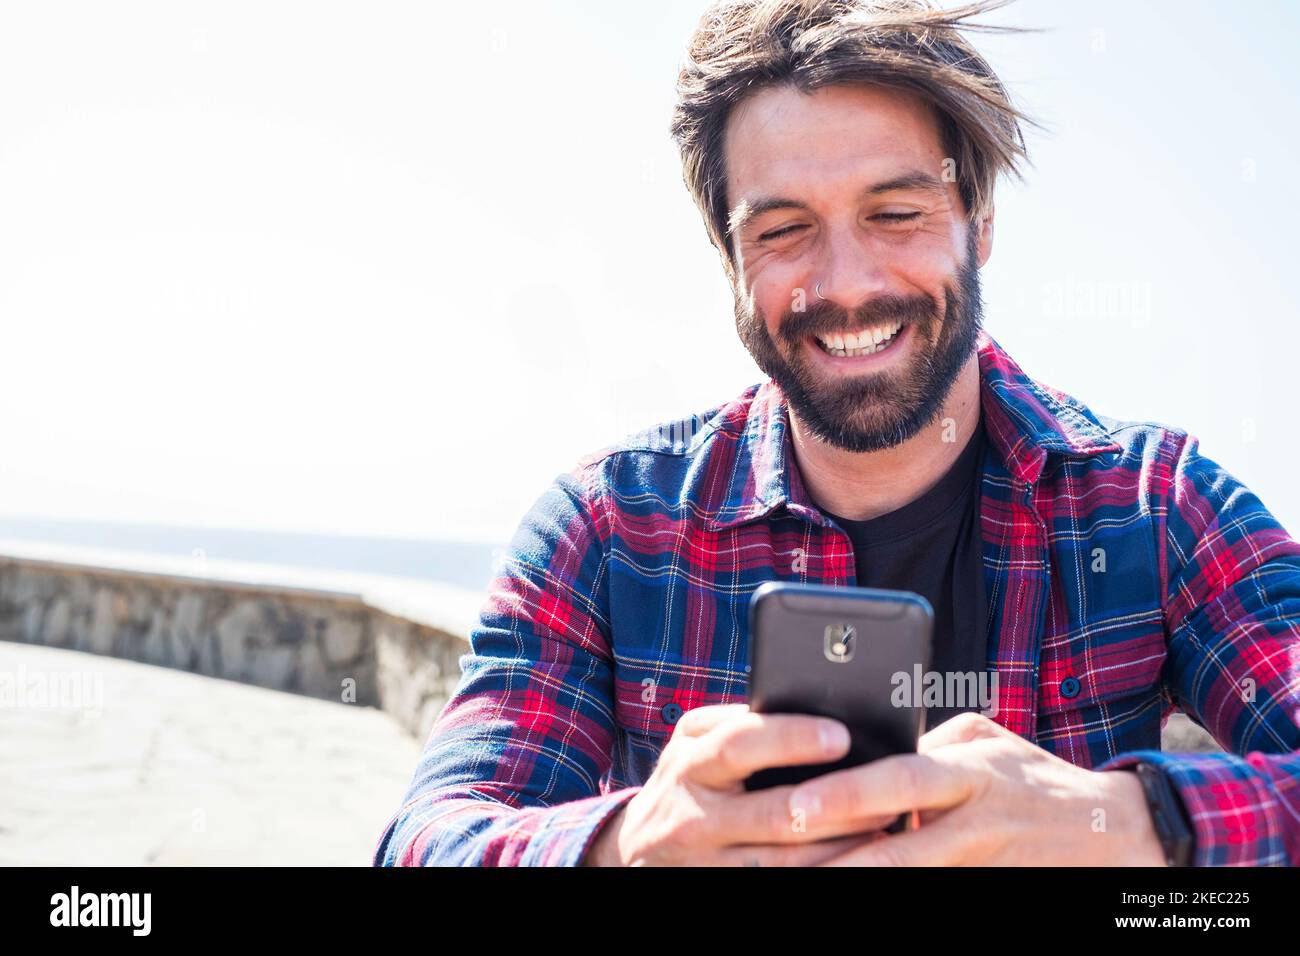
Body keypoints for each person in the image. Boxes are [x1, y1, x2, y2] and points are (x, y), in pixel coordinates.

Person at [374, 0, 1300, 866]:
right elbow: (430, 835)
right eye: (783, 230)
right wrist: (625, 843)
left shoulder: (1154, 506)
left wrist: (1134, 822)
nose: (847, 282)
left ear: (978, 225)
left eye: (896, 213)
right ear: (730, 260)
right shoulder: (610, 528)